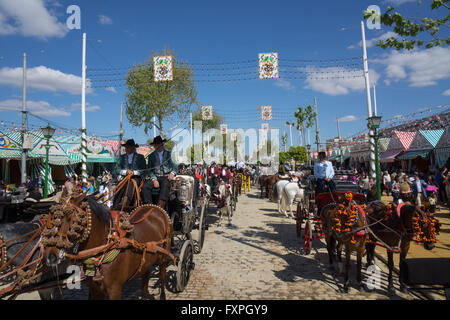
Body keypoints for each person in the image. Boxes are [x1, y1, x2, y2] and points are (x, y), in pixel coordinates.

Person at [142, 136, 177, 209]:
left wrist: (172, 173)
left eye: (158, 144)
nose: (156, 146)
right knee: (145, 186)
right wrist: (154, 179)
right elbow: (150, 170)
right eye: (155, 145)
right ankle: (149, 206)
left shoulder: (170, 154)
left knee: (165, 184)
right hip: (156, 177)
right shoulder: (151, 156)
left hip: (166, 176)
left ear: (162, 144)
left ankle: (160, 206)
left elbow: (175, 166)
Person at [113, 139, 147, 207]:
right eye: (126, 147)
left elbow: (143, 169)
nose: (126, 149)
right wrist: (125, 172)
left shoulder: (140, 157)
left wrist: (134, 172)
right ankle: (115, 204)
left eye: (128, 147)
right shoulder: (121, 158)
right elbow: (116, 169)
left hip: (136, 178)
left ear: (133, 148)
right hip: (124, 177)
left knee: (131, 184)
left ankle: (125, 203)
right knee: (119, 185)